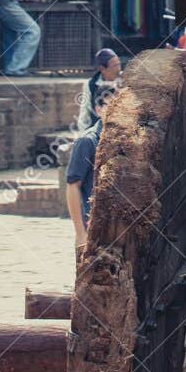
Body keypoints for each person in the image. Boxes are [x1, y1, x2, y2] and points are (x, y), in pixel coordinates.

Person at [66, 79, 119, 253]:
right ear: (98, 110)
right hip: (91, 225)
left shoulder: (122, 141)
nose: (114, 112)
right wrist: (80, 233)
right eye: (109, 106)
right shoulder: (87, 142)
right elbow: (73, 187)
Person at [76, 48, 122, 132]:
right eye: (115, 66)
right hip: (98, 132)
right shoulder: (90, 85)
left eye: (119, 64)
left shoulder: (125, 81)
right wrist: (82, 136)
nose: (119, 69)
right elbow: (84, 114)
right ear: (102, 68)